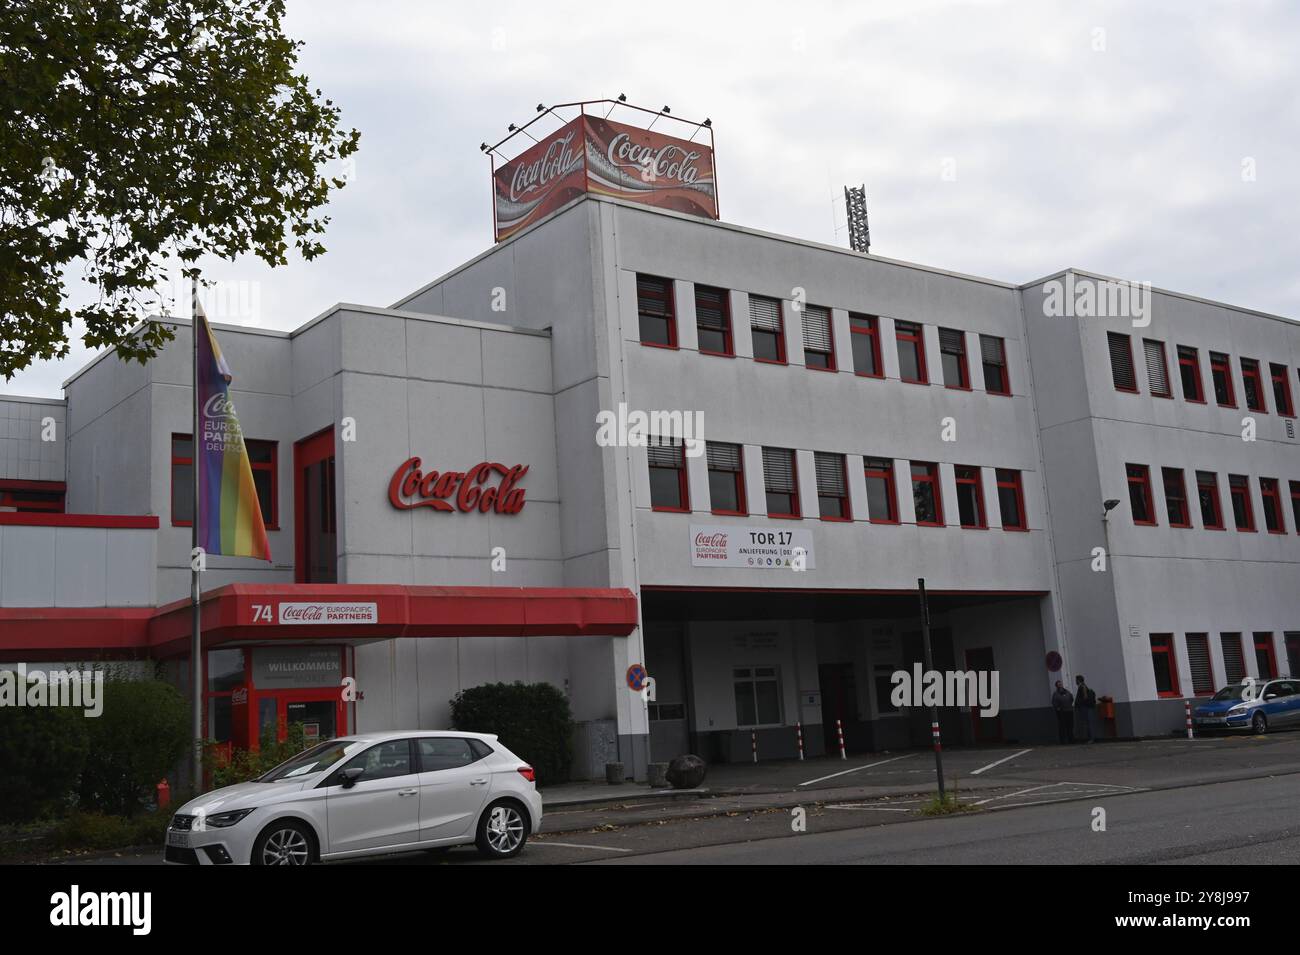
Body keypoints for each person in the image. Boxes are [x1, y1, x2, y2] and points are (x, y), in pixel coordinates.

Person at [1074, 674, 1097, 742]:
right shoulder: (1082, 686)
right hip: (1085, 707)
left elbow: (1085, 697)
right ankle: (1090, 738)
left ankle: (1091, 738)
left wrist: (1080, 703)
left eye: (1076, 680)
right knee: (1087, 722)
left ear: (1078, 680)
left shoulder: (1082, 686)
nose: (1075, 681)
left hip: (1085, 707)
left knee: (1088, 723)